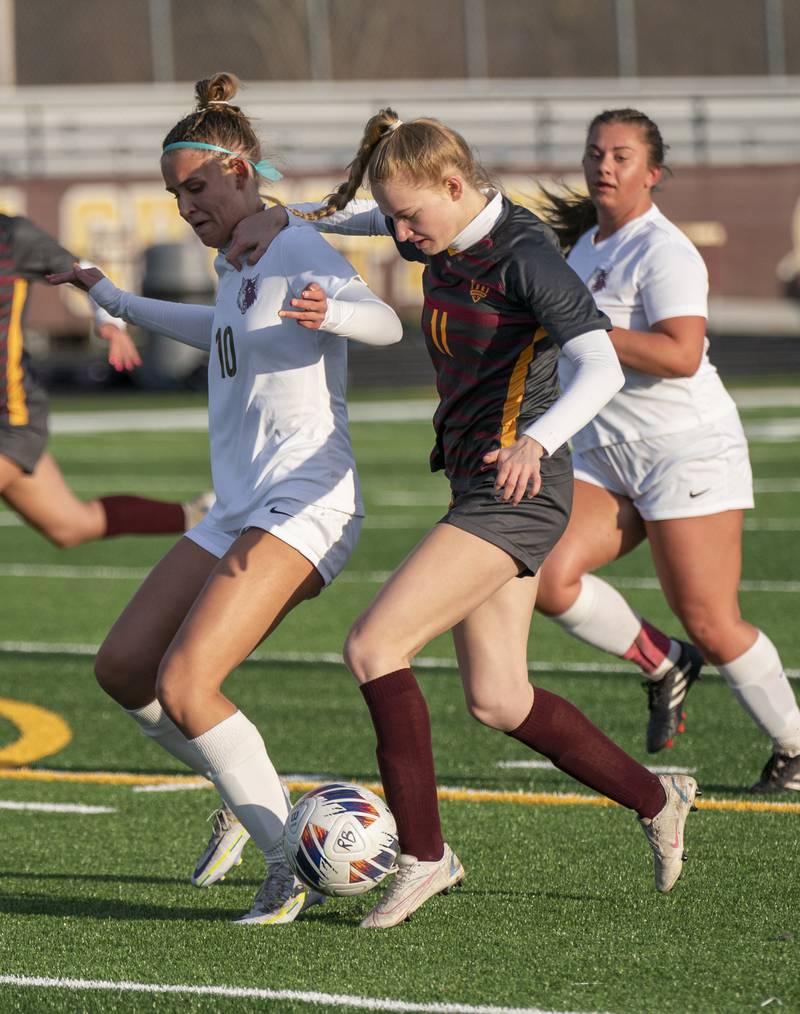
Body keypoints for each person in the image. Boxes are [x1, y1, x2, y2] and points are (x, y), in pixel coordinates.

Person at [226, 108, 700, 929]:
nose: (403, 236)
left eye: (413, 216)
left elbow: (598, 368)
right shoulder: (432, 224)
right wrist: (292, 214)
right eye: (396, 218)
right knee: (499, 698)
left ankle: (424, 854)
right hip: (479, 487)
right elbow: (370, 216)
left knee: (374, 646)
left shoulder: (525, 256)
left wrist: (537, 441)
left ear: (456, 185)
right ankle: (657, 796)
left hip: (518, 492)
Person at [48, 72, 403, 926]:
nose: (187, 206)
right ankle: (256, 801)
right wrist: (113, 298)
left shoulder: (297, 249)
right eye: (177, 195)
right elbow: (223, 334)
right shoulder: (236, 257)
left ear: (243, 172)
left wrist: (335, 313)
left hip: (307, 503)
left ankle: (288, 861)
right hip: (237, 510)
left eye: (197, 187)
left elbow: (386, 322)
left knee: (189, 683)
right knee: (124, 669)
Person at [526, 108, 800, 793]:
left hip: (683, 452)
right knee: (546, 575)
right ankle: (661, 663)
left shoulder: (663, 249)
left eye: (621, 156)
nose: (604, 166)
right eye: (595, 153)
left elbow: (680, 355)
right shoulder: (586, 245)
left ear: (653, 173)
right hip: (606, 454)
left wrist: (586, 328)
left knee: (711, 619)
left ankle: (795, 745)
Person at [0, 212, 210, 545]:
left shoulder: (11, 236)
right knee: (71, 526)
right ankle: (202, 515)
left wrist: (109, 319)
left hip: (9, 419)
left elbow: (80, 269)